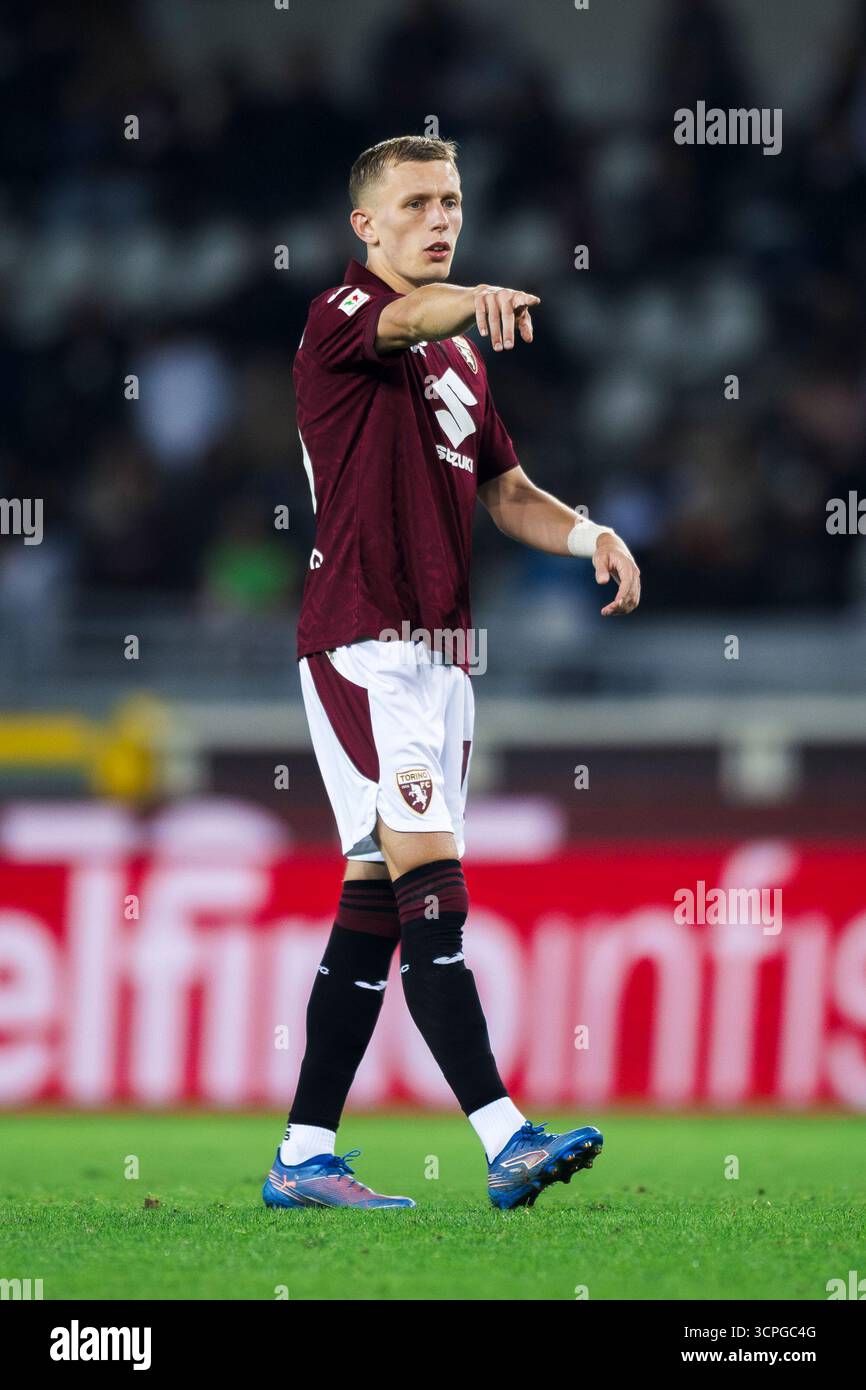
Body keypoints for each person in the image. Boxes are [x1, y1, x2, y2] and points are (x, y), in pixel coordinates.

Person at [262, 135, 640, 1212]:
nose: (440, 218)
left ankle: (302, 1152)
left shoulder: (462, 359)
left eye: (454, 202)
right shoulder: (341, 319)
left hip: (442, 660)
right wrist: (468, 298)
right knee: (437, 896)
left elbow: (508, 490)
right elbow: (412, 316)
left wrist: (589, 535)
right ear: (365, 228)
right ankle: (504, 1135)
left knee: (375, 906)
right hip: (361, 644)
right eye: (417, 203)